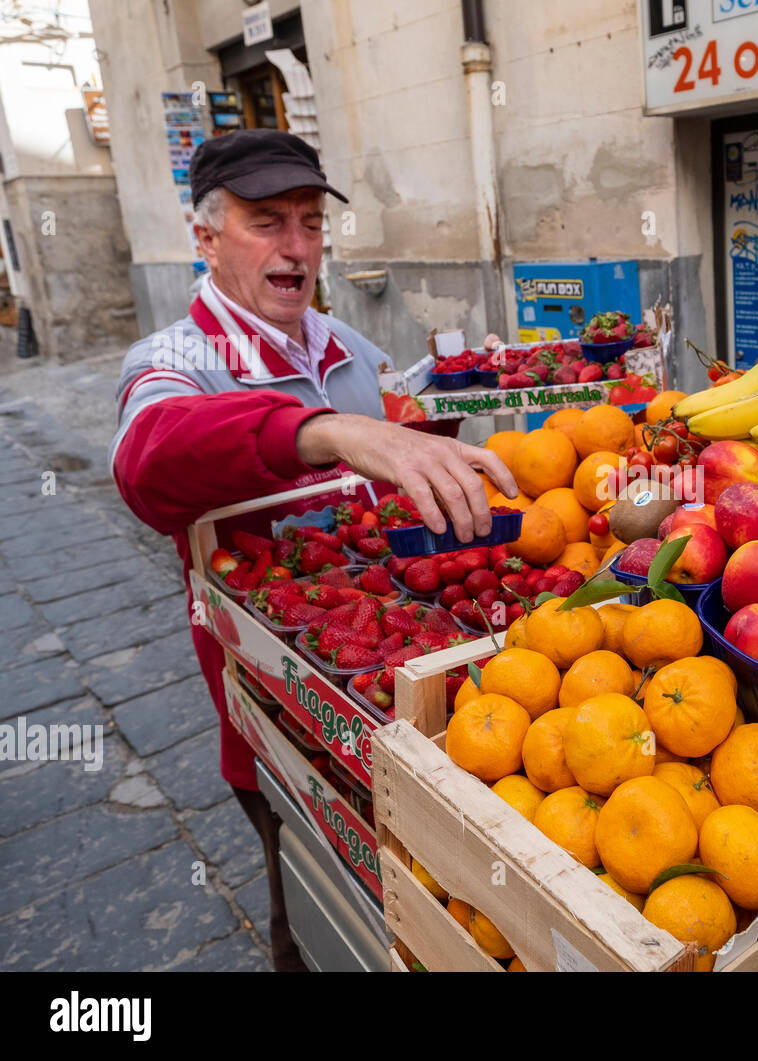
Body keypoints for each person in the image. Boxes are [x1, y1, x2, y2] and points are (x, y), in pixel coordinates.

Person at [110, 129, 515, 970]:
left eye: (308, 221)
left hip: (391, 688)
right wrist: (322, 431)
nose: (297, 245)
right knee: (312, 904)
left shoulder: (346, 348)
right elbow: (146, 457)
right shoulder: (174, 358)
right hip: (277, 708)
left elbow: (402, 441)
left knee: (402, 918)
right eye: (266, 222)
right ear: (206, 237)